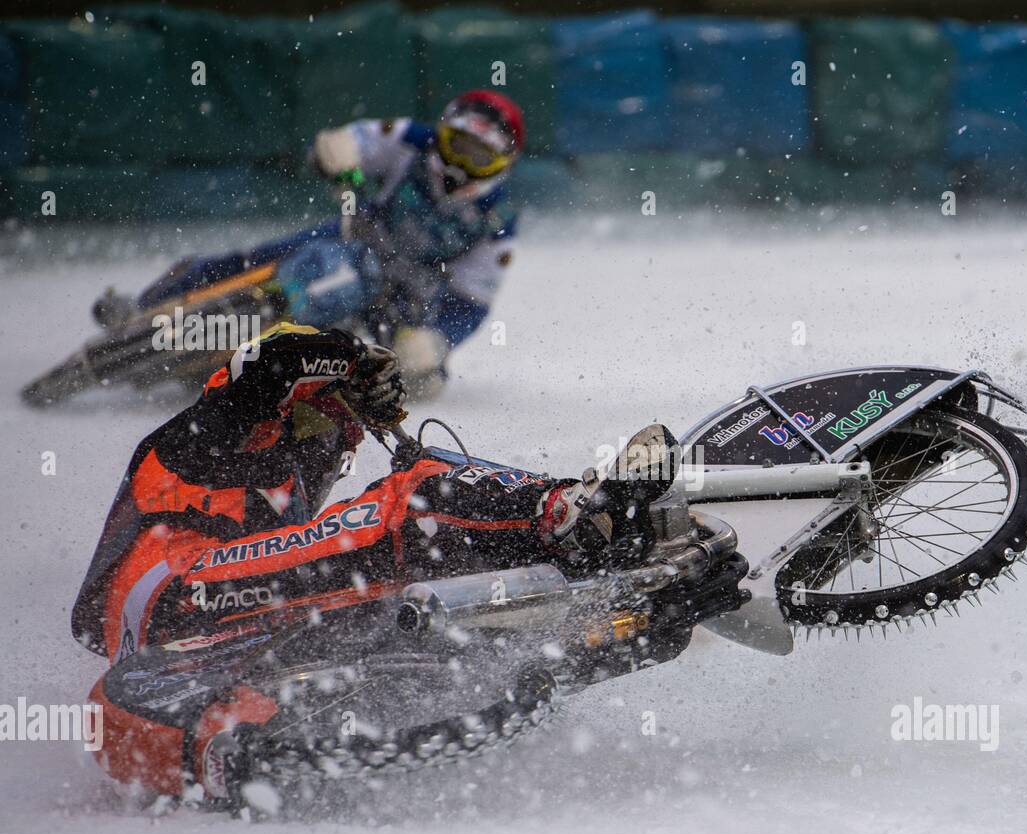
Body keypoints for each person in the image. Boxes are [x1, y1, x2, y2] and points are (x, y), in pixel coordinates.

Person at [71, 323, 677, 664]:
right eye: (328, 421)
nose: (335, 442)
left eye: (344, 433)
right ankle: (565, 515)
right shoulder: (216, 427)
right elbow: (273, 362)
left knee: (400, 583)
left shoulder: (277, 476)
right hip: (170, 592)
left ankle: (563, 596)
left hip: (202, 630)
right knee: (405, 505)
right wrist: (354, 360)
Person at [96, 90, 526, 398]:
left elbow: (472, 299)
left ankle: (300, 382)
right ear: (441, 135)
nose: (461, 166)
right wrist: (335, 151)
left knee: (417, 380)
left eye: (480, 157)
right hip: (350, 237)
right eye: (457, 146)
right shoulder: (411, 139)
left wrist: (436, 340)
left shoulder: (498, 222)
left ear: (503, 165)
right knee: (246, 260)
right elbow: (354, 142)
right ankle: (144, 306)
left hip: (403, 295)